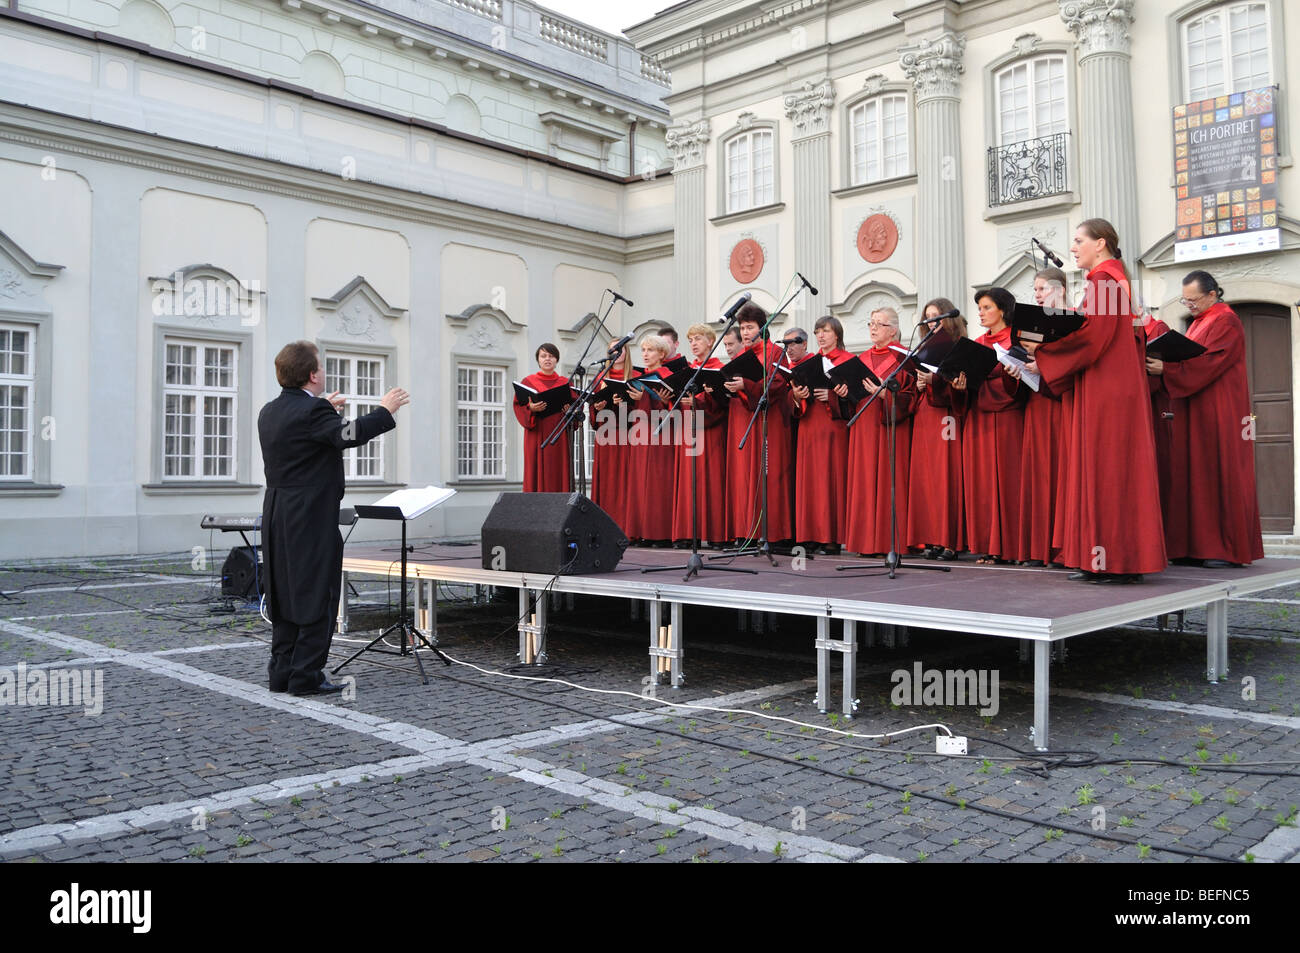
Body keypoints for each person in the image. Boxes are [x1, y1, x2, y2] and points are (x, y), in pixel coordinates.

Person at [259, 340, 408, 696]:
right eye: (321, 367)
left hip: (277, 513)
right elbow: (347, 435)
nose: (324, 372)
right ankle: (306, 676)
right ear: (312, 375)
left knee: (284, 592)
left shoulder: (270, 410)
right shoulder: (313, 414)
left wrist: (323, 409)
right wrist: (384, 411)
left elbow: (308, 434)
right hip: (310, 516)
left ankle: (281, 672)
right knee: (316, 592)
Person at [1025, 218, 1166, 582]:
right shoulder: (1115, 280)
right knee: (1112, 471)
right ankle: (1114, 559)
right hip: (1113, 385)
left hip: (1106, 389)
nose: (1072, 248)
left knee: (1104, 470)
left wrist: (1045, 353)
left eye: (1078, 240)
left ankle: (1113, 562)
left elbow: (1094, 338)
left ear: (1100, 243)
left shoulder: (1104, 281)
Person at [1146, 270, 1263, 566]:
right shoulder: (1199, 322)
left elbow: (1211, 362)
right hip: (1196, 407)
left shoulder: (1226, 320)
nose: (1190, 306)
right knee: (1194, 473)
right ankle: (1193, 547)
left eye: (1194, 300)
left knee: (1217, 471)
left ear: (1213, 294)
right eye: (1185, 301)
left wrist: (1168, 371)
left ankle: (1223, 549)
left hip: (1220, 409)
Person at [839, 307, 916, 556]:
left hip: (889, 429)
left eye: (879, 324)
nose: (872, 328)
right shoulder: (860, 359)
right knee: (864, 480)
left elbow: (910, 398)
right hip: (863, 427)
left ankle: (887, 542)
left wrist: (884, 394)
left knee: (888, 479)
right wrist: (844, 394)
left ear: (893, 330)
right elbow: (852, 398)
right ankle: (865, 542)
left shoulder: (904, 358)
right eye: (871, 323)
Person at [959, 288, 1025, 565]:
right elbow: (966, 385)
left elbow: (1025, 384)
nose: (981, 313)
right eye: (980, 308)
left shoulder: (1018, 340)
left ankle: (1012, 547)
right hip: (978, 418)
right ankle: (987, 546)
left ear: (1002, 310)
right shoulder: (975, 344)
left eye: (987, 307)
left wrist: (1011, 376)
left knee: (1010, 480)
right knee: (982, 481)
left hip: (1009, 417)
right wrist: (959, 384)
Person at [724, 302, 794, 545]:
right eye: (742, 327)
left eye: (750, 327)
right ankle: (746, 531)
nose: (744, 332)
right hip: (744, 420)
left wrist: (749, 385)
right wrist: (732, 386)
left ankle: (772, 534)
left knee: (769, 474)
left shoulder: (775, 352)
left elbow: (779, 385)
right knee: (744, 475)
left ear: (761, 328)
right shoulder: (742, 356)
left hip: (769, 421)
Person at [905, 298, 967, 560]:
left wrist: (936, 381)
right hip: (925, 416)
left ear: (948, 319)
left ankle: (949, 540)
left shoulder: (959, 347)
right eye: (927, 317)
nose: (931, 322)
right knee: (926, 479)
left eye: (936, 317)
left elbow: (962, 383)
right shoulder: (922, 348)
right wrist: (922, 384)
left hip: (946, 417)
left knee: (945, 478)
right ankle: (931, 537)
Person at [1017, 269, 1068, 567]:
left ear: (1059, 290)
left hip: (1060, 405)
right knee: (1038, 475)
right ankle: (1038, 549)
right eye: (1034, 290)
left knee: (1059, 474)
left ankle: (1061, 549)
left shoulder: (1073, 319)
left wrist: (1044, 362)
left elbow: (1073, 360)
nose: (1036, 295)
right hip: (1036, 404)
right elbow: (1030, 356)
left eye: (1041, 289)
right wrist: (1020, 366)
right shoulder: (1034, 323)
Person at [790, 316, 853, 554]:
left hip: (832, 426)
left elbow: (855, 396)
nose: (821, 336)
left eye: (825, 331)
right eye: (817, 331)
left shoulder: (847, 361)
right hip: (809, 424)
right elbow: (792, 397)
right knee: (810, 481)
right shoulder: (809, 362)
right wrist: (798, 394)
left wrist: (834, 397)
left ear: (837, 334)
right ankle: (810, 535)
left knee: (830, 480)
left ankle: (831, 538)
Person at [671, 324, 729, 545]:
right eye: (691, 340)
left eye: (698, 339)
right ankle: (688, 533)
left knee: (710, 481)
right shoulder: (687, 370)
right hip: (688, 430)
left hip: (711, 432)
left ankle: (714, 535)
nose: (694, 343)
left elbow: (722, 404)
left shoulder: (719, 368)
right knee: (689, 482)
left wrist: (700, 400)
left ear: (710, 341)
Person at [626, 334, 678, 544]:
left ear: (661, 353)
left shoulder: (668, 375)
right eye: (643, 350)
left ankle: (658, 532)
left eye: (650, 350)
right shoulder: (637, 376)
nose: (645, 354)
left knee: (657, 482)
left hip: (661, 435)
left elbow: (671, 411)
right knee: (639, 481)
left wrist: (649, 398)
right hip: (640, 432)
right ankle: (639, 531)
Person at [514, 343, 575, 493]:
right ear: (538, 360)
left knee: (558, 471)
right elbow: (518, 407)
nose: (547, 359)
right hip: (537, 435)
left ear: (556, 360)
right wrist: (530, 408)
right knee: (536, 472)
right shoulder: (528, 382)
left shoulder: (565, 383)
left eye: (551, 356)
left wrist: (570, 410)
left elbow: (576, 408)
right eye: (543, 356)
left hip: (559, 436)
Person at [590, 337, 634, 533]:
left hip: (628, 436)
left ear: (627, 352)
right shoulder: (600, 378)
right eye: (613, 349)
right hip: (606, 436)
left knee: (626, 481)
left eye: (621, 349)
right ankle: (604, 526)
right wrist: (597, 408)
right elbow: (593, 412)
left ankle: (626, 525)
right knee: (607, 482)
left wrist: (623, 404)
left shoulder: (634, 375)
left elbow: (641, 410)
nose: (617, 353)